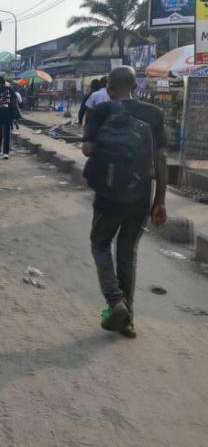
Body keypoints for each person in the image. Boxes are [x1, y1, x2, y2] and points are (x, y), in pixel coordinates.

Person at [82, 66, 167, 339]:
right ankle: (127, 320)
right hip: (141, 197)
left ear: (109, 87)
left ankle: (115, 301)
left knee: (100, 244)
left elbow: (88, 148)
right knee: (127, 254)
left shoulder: (103, 110)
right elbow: (161, 159)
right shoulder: (154, 114)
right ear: (135, 85)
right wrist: (160, 201)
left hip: (108, 196)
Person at [0, 76, 17, 159]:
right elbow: (14, 101)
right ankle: (6, 153)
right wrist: (14, 114)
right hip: (8, 114)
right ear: (4, 82)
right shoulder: (10, 90)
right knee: (7, 134)